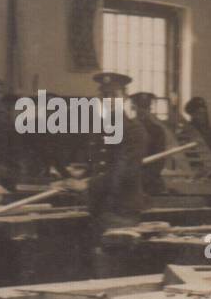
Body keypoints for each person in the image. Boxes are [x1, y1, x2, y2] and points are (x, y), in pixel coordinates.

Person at [62, 72, 150, 277]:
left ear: (124, 98)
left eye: (114, 96)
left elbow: (123, 173)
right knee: (97, 265)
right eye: (104, 96)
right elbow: (100, 162)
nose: (108, 101)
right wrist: (80, 172)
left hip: (120, 210)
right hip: (99, 207)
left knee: (113, 268)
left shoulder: (134, 130)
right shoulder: (102, 127)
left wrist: (87, 185)